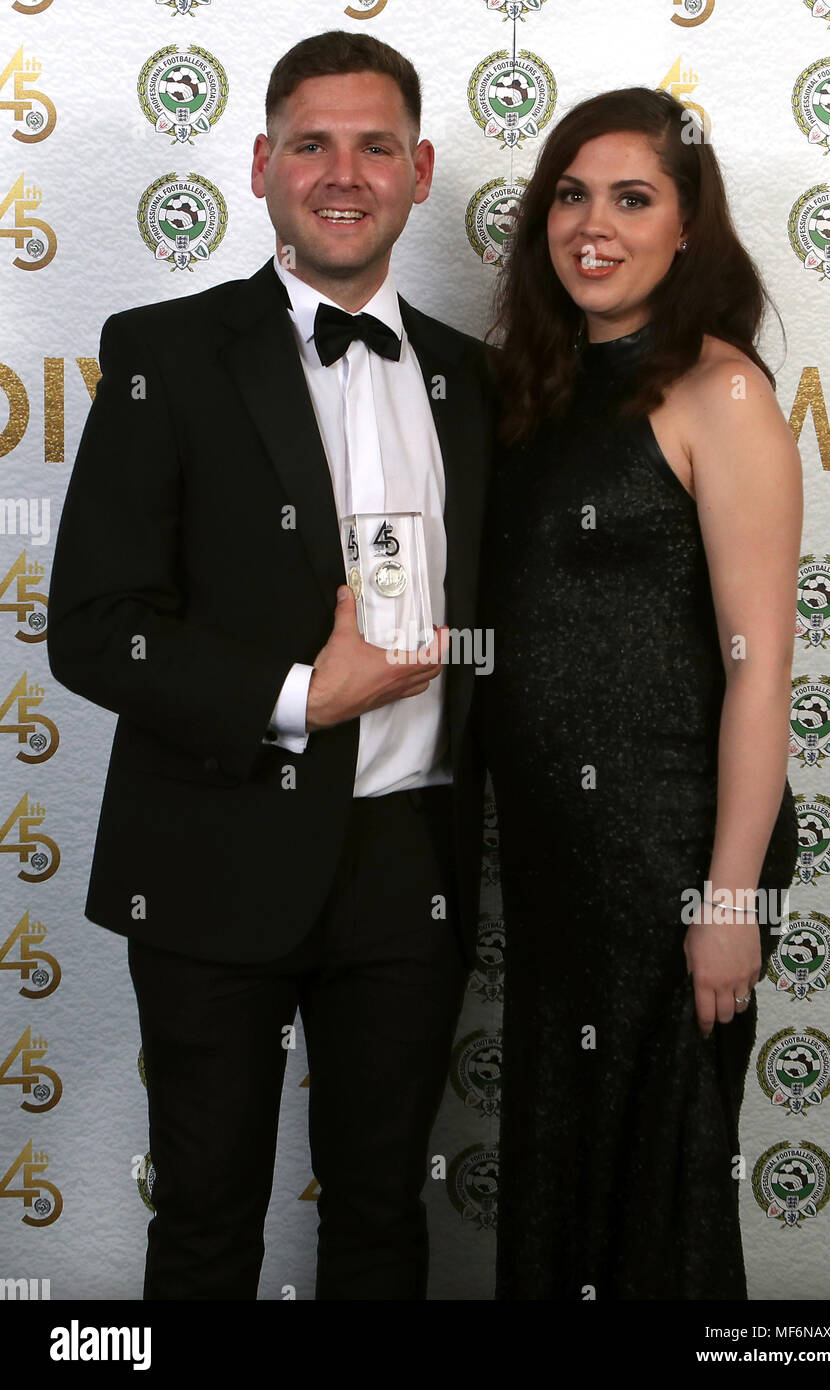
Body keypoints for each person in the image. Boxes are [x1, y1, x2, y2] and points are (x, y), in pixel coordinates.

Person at [47, 30, 493, 1300]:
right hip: (212, 849)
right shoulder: (164, 353)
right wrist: (304, 696)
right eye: (311, 144)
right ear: (260, 165)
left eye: (373, 147)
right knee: (204, 1223)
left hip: (410, 864)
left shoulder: (475, 380)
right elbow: (94, 624)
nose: (342, 173)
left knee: (381, 1219)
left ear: (417, 173)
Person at [478, 87, 802, 1300]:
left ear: (686, 226)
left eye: (630, 198)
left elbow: (758, 664)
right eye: (569, 195)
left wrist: (727, 895)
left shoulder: (719, 393)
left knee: (657, 1188)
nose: (591, 225)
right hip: (558, 863)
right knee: (565, 1173)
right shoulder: (539, 392)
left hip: (673, 855)